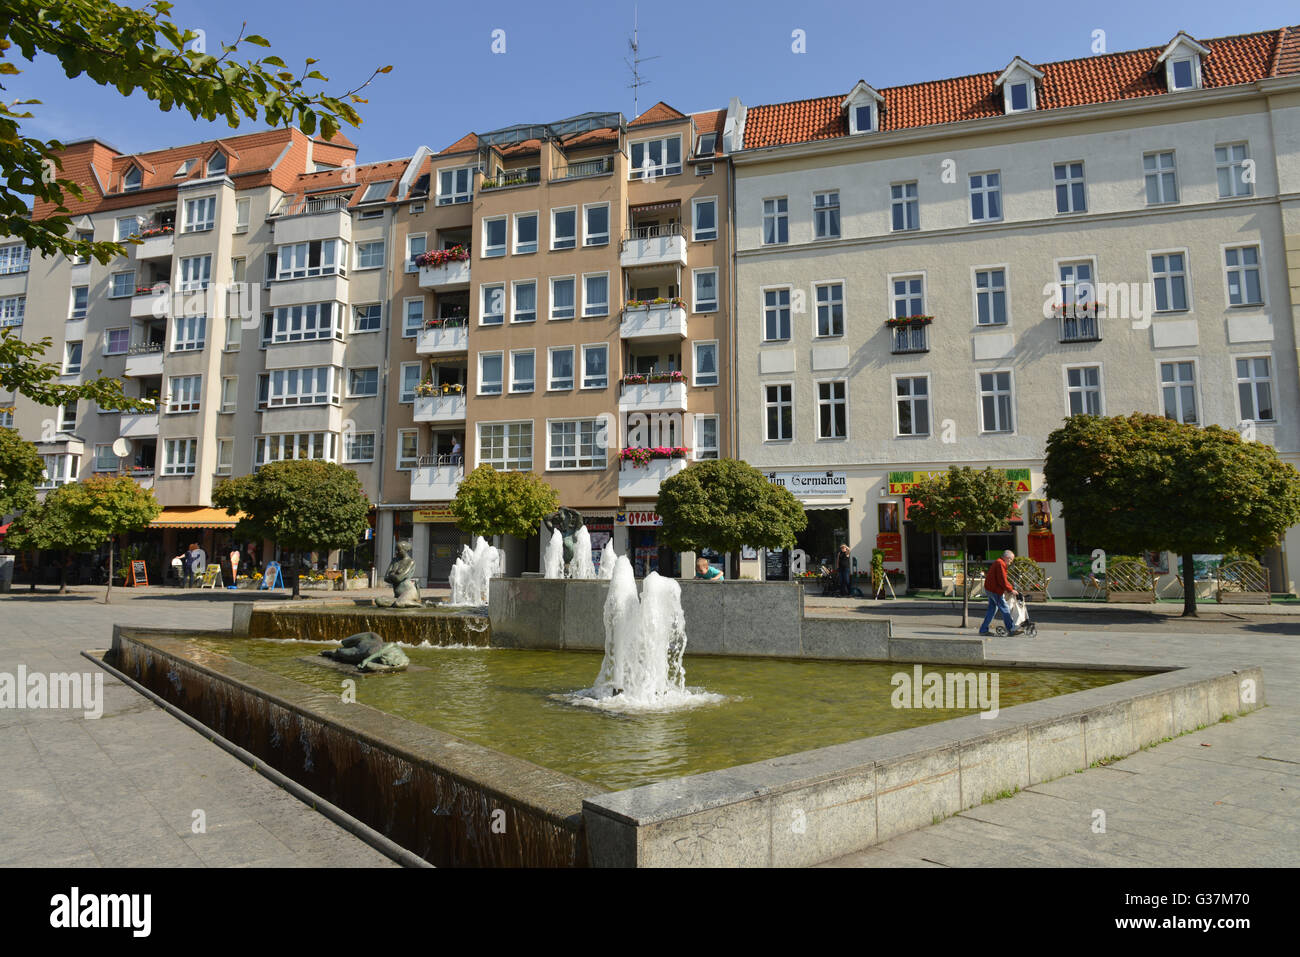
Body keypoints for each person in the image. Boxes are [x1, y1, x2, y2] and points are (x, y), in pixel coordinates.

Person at [979, 549, 1022, 637]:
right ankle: (1011, 629)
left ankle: (983, 630)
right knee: (1005, 608)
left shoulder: (999, 562)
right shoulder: (1000, 564)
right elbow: (1002, 580)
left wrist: (1009, 588)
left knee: (992, 610)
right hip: (995, 590)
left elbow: (1002, 579)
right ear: (1007, 558)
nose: (1010, 563)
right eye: (1011, 560)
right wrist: (1011, 590)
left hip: (990, 588)